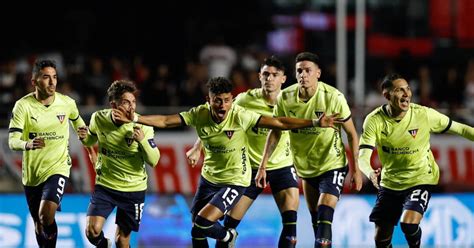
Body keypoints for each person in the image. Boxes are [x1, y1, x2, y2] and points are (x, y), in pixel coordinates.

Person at [112, 76, 342, 247]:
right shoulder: (199, 114)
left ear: (232, 100)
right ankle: (225, 236)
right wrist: (136, 118)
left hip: (236, 179)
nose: (222, 106)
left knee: (202, 222)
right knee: (196, 230)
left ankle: (229, 235)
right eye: (216, 101)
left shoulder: (240, 115)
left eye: (226, 101)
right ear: (208, 100)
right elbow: (166, 120)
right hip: (209, 178)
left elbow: (279, 123)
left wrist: (314, 122)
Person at [186, 56, 300, 247]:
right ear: (259, 76)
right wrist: (198, 147)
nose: (269, 78)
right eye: (265, 74)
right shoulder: (245, 99)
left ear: (283, 79)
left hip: (282, 167)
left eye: (275, 75)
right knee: (229, 228)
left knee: (291, 231)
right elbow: (217, 122)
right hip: (250, 170)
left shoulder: (292, 102)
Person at [256, 52, 363, 247]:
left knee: (324, 211)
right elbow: (276, 131)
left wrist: (356, 169)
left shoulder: (333, 97)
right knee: (317, 223)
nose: (303, 75)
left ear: (318, 73)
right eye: (299, 71)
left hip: (333, 165)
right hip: (306, 169)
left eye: (308, 70)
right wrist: (263, 165)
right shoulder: (286, 97)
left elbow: (352, 134)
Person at [358, 73, 474, 248]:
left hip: (421, 178)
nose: (406, 94)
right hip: (390, 182)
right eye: (399, 90)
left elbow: (461, 129)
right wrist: (369, 173)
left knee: (409, 223)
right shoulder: (374, 121)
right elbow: (363, 157)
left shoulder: (423, 115)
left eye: (408, 89)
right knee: (380, 239)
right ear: (386, 95)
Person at [8, 59, 90, 247]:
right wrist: (27, 144)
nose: (52, 82)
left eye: (54, 77)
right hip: (32, 174)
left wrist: (86, 135)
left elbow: (82, 130)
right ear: (34, 81)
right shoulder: (23, 106)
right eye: (46, 77)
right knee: (39, 224)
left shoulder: (67, 103)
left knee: (45, 215)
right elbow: (12, 141)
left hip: (58, 167)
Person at [79, 80, 160, 248]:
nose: (131, 107)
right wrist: (85, 137)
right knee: (92, 231)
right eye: (125, 102)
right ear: (113, 105)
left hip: (133, 189)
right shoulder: (99, 118)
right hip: (106, 185)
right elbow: (92, 138)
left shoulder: (142, 125)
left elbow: (154, 160)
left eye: (133, 102)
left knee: (122, 241)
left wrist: (143, 141)